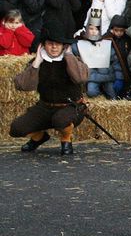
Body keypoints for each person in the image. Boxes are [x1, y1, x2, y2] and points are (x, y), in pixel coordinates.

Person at [9, 27, 89, 155]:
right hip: (45, 107)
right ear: (43, 45)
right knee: (17, 128)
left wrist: (69, 56)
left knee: (60, 120)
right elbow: (23, 86)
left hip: (71, 107)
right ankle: (39, 137)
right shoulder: (37, 62)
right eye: (50, 43)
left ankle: (66, 139)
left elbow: (80, 78)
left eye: (58, 44)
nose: (54, 47)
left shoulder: (73, 60)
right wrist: (36, 63)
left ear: (64, 46)